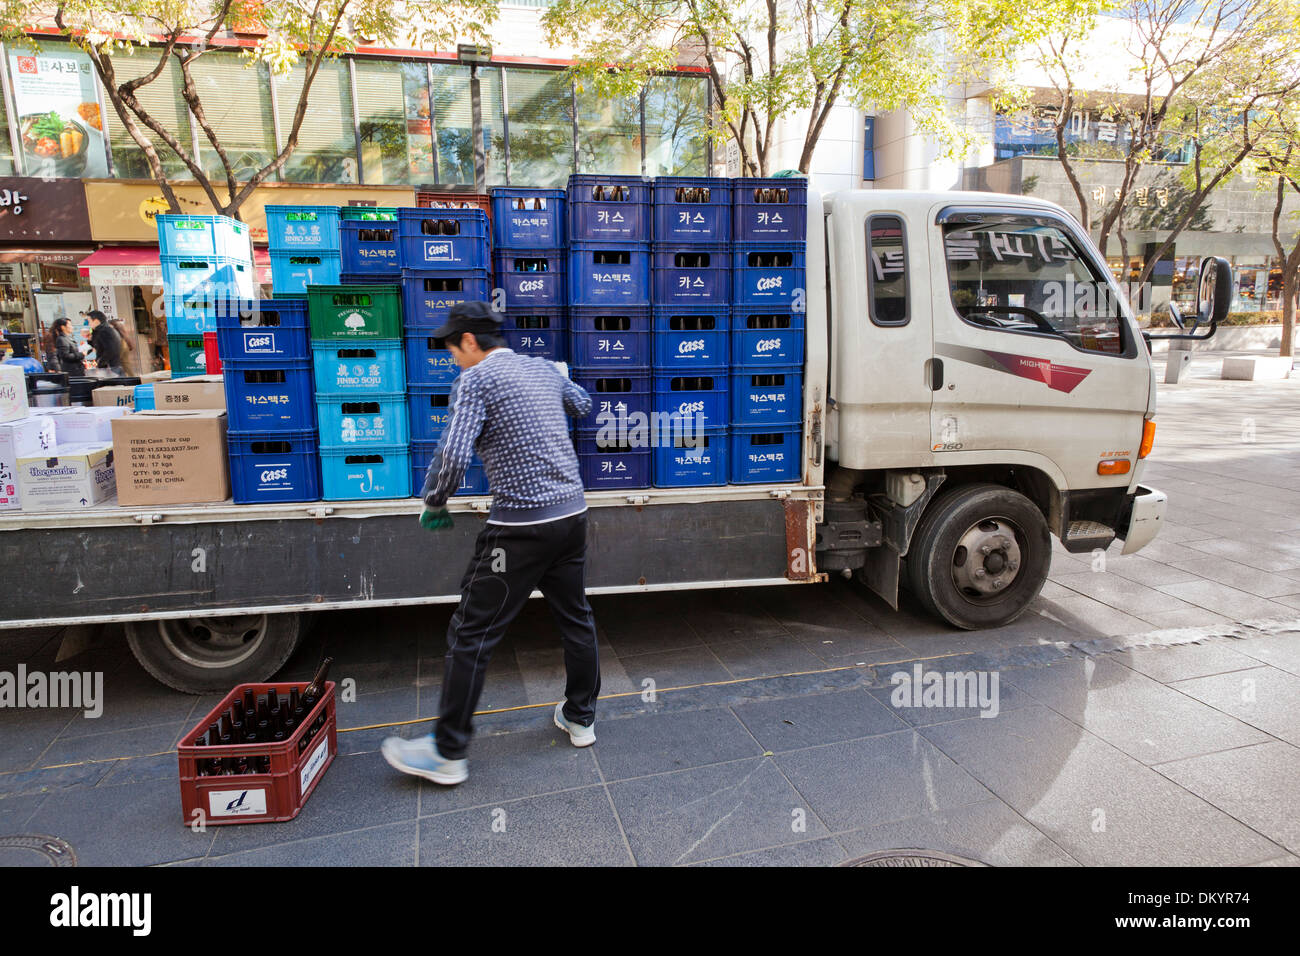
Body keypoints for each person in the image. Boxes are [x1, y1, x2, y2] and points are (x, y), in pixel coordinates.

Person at [381, 301, 600, 786]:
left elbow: (454, 453)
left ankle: (447, 752)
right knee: (575, 616)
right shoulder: (543, 369)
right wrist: (561, 377)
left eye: (452, 347)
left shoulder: (476, 380)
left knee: (471, 634)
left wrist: (434, 501)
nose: (452, 357)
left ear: (471, 342)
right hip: (571, 515)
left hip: (519, 529)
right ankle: (581, 717)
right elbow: (584, 405)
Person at [84, 310, 123, 374]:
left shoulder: (105, 331)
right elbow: (98, 346)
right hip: (110, 367)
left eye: (89, 321)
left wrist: (100, 362)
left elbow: (111, 350)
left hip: (111, 368)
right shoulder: (100, 330)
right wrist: (90, 339)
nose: (88, 324)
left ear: (96, 321)